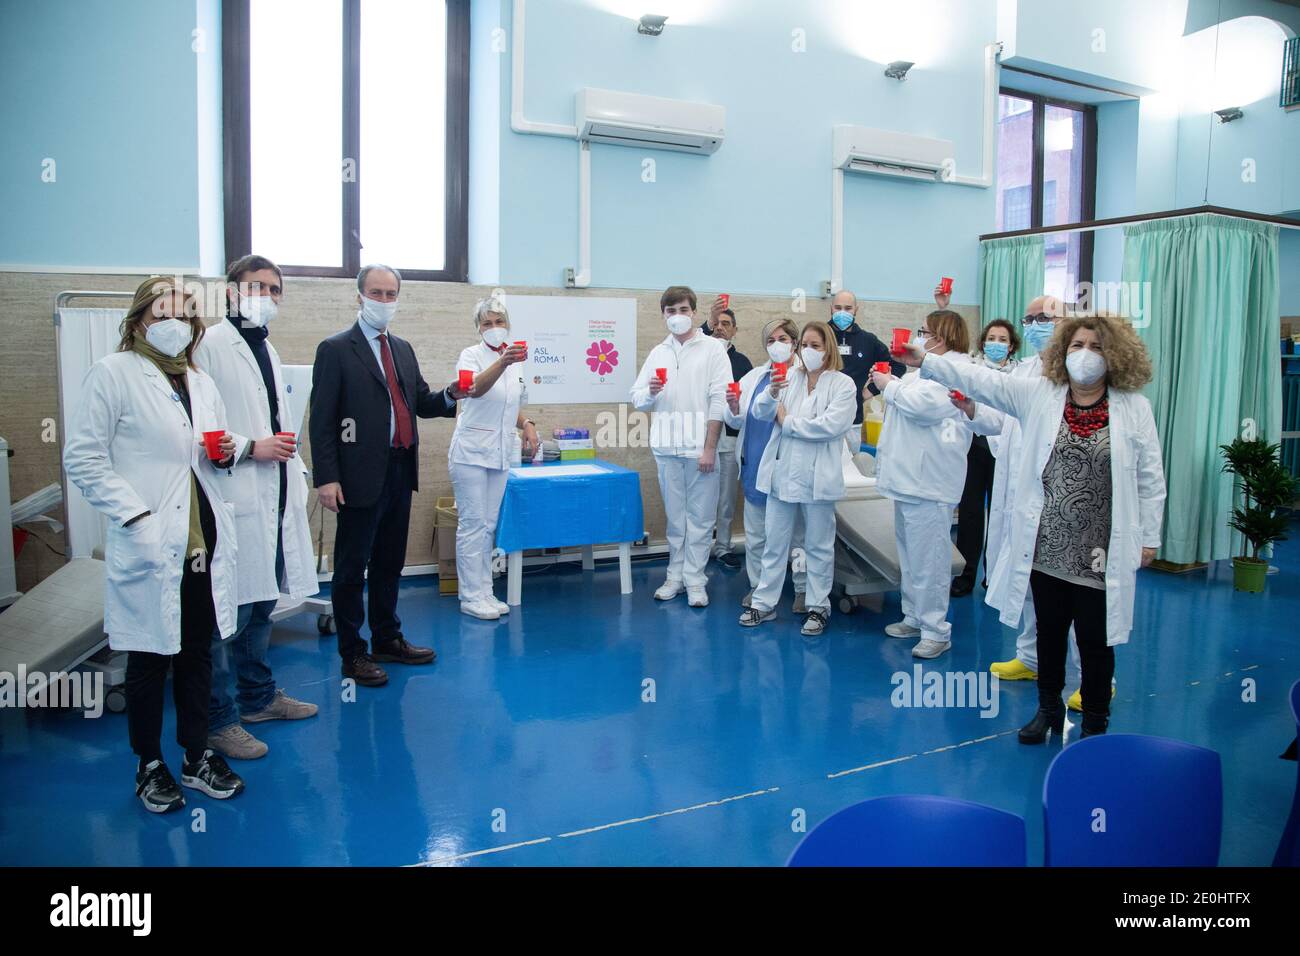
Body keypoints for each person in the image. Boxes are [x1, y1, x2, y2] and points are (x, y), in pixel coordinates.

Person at [897, 313, 1165, 740]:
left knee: (1097, 641)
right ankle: (1048, 710)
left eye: (1096, 347)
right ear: (1061, 352)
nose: (1085, 355)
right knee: (1050, 633)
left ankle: (1095, 724)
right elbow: (984, 381)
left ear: (1114, 354)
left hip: (1100, 551)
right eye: (1076, 346)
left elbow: (1150, 476)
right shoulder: (1041, 394)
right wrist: (927, 361)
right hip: (1047, 544)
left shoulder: (1133, 408)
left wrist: (1149, 536)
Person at [64, 276, 245, 812]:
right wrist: (136, 516)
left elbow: (207, 456)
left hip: (201, 540)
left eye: (187, 311)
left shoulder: (199, 381)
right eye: (165, 310)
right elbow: (83, 458)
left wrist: (226, 452)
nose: (177, 320)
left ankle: (195, 756)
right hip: (150, 539)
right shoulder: (113, 374)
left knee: (196, 654)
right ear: (141, 316)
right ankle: (149, 765)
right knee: (147, 658)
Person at [309, 265, 465, 688]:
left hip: (400, 470)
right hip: (357, 475)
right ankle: (352, 653)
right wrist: (326, 477)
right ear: (358, 296)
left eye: (390, 293)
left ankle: (386, 638)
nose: (383, 300)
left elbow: (421, 402)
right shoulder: (336, 349)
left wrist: (451, 394)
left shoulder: (403, 349)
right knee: (350, 566)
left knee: (389, 563)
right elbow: (321, 421)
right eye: (375, 292)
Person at [192, 255, 320, 760]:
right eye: (255, 286)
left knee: (262, 606)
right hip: (234, 494)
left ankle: (258, 698)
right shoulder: (210, 346)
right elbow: (199, 427)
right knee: (230, 616)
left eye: (273, 289)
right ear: (229, 291)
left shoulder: (266, 347)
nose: (265, 296)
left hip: (273, 496)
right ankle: (218, 720)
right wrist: (252, 448)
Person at [871, 309, 997, 659]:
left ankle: (936, 630)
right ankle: (914, 616)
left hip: (930, 481)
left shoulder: (957, 371)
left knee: (931, 561)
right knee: (911, 556)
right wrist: (892, 383)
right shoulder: (924, 370)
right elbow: (907, 397)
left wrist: (888, 386)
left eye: (922, 331)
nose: (918, 336)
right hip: (908, 478)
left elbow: (924, 407)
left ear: (939, 338)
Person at [737, 321, 857, 636]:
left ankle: (818, 608)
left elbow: (830, 427)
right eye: (804, 344)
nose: (808, 351)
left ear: (828, 348)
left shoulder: (842, 384)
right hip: (783, 472)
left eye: (815, 345)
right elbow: (763, 412)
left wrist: (788, 422)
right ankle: (763, 604)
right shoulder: (789, 377)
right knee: (775, 543)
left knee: (818, 545)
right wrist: (772, 393)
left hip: (819, 478)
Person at [630, 286, 732, 607]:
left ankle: (696, 580)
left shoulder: (713, 349)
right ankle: (675, 576)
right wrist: (651, 390)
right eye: (671, 311)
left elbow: (719, 400)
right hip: (666, 448)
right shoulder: (658, 352)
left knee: (701, 519)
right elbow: (638, 400)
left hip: (701, 449)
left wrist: (709, 448)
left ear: (695, 313)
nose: (678, 316)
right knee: (676, 519)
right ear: (663, 315)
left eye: (684, 310)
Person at [449, 297, 539, 620]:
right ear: (478, 328)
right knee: (472, 524)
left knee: (488, 525)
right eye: (487, 323)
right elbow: (472, 389)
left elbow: (509, 405)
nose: (494, 328)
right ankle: (470, 596)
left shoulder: (515, 362)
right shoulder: (471, 356)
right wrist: (502, 363)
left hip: (500, 451)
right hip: (471, 452)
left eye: (499, 321)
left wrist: (527, 423)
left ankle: (485, 591)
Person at [724, 319, 808, 609]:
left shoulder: (806, 377)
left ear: (795, 342)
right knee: (757, 535)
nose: (777, 345)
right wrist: (733, 408)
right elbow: (736, 419)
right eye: (771, 340)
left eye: (782, 338)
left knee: (799, 536)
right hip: (754, 464)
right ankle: (758, 586)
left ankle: (802, 589)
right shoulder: (755, 377)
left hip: (790, 467)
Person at [951, 316, 1021, 598]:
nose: (996, 344)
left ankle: (994, 578)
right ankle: (965, 577)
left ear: (1012, 345)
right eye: (991, 339)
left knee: (1002, 512)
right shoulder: (974, 370)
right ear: (982, 343)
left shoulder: (1020, 376)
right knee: (970, 514)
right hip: (975, 447)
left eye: (1002, 340)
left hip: (1006, 450)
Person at [707, 307, 753, 569]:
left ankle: (723, 546)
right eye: (716, 323)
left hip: (729, 438)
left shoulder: (743, 363)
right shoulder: (701, 358)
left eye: (726, 323)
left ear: (734, 329)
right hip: (699, 437)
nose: (720, 327)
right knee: (698, 497)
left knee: (725, 498)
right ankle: (696, 548)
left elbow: (744, 405)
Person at [828, 289, 905, 428]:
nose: (842, 312)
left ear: (856, 310)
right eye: (838, 308)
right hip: (820, 415)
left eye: (848, 308)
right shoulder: (820, 336)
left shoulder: (868, 340)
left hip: (852, 420)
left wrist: (870, 390)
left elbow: (898, 366)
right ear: (831, 308)